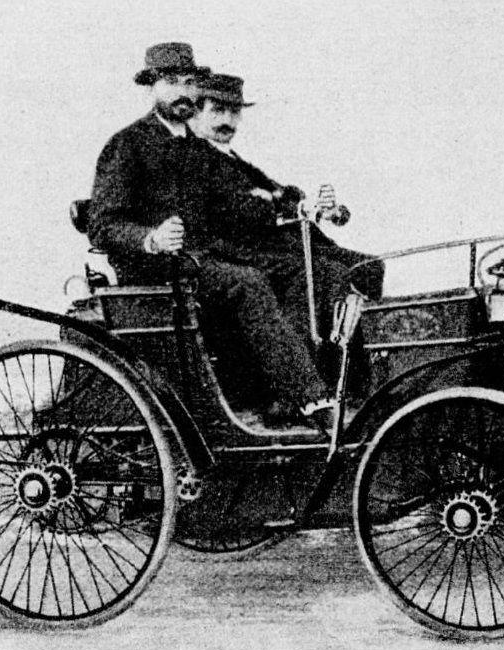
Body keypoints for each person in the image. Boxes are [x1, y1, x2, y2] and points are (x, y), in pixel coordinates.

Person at [88, 43, 334, 427]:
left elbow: (235, 205)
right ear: (151, 86)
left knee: (298, 270)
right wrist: (150, 237)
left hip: (201, 262)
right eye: (171, 82)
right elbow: (102, 225)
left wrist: (295, 206)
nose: (183, 92)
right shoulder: (127, 145)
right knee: (246, 283)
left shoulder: (198, 150)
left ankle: (282, 392)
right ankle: (310, 399)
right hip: (155, 272)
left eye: (190, 82)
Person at [188, 73, 384, 392]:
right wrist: (281, 206)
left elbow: (278, 193)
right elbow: (235, 209)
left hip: (270, 243)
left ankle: (355, 375)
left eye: (234, 112)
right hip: (234, 251)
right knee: (323, 274)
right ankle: (296, 387)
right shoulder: (194, 158)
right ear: (196, 111)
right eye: (217, 110)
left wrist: (312, 207)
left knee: (367, 266)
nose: (228, 120)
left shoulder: (230, 157)